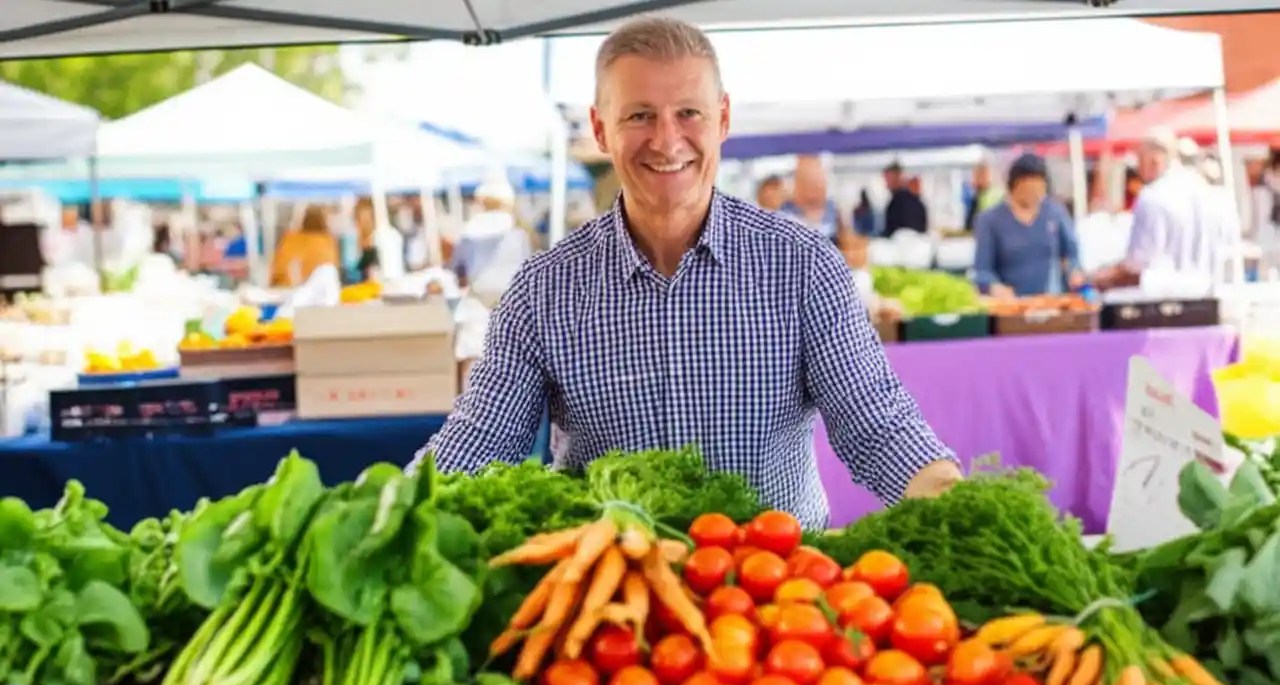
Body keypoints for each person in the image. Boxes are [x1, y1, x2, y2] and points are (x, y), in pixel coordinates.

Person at [412, 16, 961, 529]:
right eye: (640, 115)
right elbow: (480, 442)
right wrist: (389, 509)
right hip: (613, 594)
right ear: (602, 129)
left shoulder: (803, 265)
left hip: (779, 591)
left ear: (722, 119)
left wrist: (957, 506)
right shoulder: (544, 290)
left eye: (688, 113)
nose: (667, 140)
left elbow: (875, 423)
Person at [1092, 129, 1237, 290]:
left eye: (1140, 160)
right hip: (1212, 298)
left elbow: (1137, 265)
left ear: (1154, 160)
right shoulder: (1217, 198)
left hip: (1167, 303)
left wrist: (1098, 277)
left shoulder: (1153, 197)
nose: (1138, 170)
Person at [972, 153, 1085, 298]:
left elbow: (1071, 253)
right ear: (1013, 186)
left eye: (1039, 190)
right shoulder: (989, 220)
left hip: (1051, 301)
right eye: (1027, 190)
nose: (1034, 195)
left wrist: (1074, 271)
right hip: (1012, 306)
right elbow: (981, 271)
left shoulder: (1055, 213)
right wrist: (994, 287)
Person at [448, 178, 534, 308]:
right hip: (511, 289)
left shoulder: (471, 227)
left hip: (480, 288)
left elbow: (459, 265)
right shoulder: (518, 230)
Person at [779, 155, 843, 246]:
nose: (814, 190)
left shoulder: (832, 208)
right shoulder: (785, 212)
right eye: (807, 183)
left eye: (818, 183)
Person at [269, 204, 340, 288]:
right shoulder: (328, 242)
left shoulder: (289, 240)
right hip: (318, 292)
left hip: (287, 291)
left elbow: (277, 275)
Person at [883, 162, 928, 237]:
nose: (886, 183)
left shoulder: (902, 201)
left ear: (898, 176)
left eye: (888, 178)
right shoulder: (910, 199)